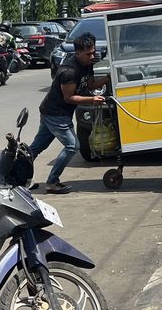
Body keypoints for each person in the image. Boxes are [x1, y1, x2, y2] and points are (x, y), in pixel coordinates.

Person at [27, 32, 109, 194]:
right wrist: (92, 101)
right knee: (72, 146)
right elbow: (69, 98)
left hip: (56, 112)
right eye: (88, 54)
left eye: (93, 52)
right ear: (77, 52)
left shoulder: (87, 64)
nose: (91, 56)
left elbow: (91, 85)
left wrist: (109, 78)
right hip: (55, 113)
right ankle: (52, 181)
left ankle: (16, 176)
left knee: (36, 148)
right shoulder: (69, 71)